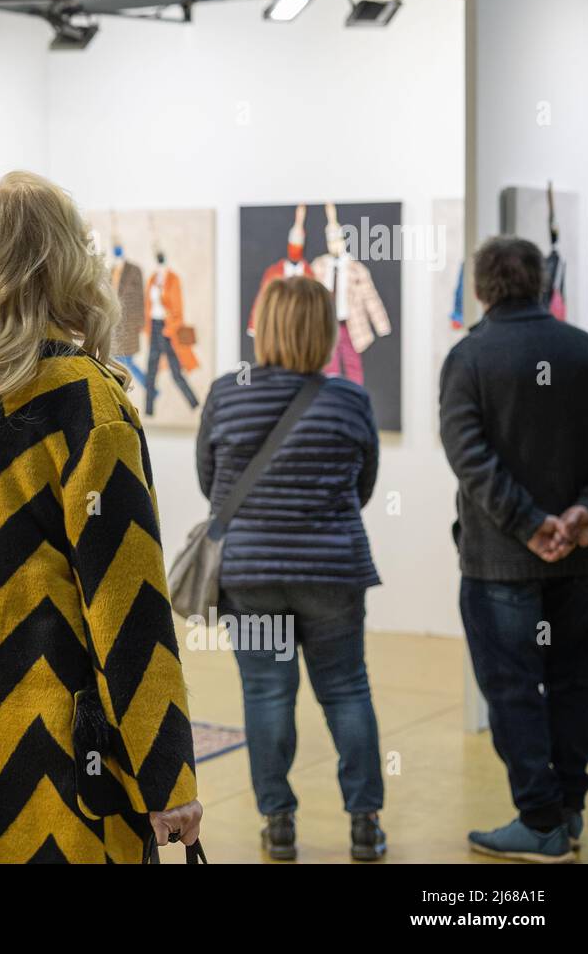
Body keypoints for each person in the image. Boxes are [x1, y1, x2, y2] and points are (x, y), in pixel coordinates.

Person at [0, 171, 201, 863]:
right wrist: (168, 776)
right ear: (66, 264)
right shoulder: (87, 404)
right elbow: (129, 608)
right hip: (76, 755)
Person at [198, 276, 385, 862]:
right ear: (325, 333)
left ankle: (278, 825)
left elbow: (211, 482)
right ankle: (364, 825)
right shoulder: (350, 398)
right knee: (347, 690)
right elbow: (365, 485)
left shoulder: (229, 393)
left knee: (266, 693)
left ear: (267, 327)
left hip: (251, 573)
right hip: (333, 572)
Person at [440, 235, 588, 864]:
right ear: (541, 282)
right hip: (581, 558)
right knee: (569, 681)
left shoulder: (470, 357)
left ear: (480, 288)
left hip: (501, 561)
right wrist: (583, 512)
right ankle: (569, 808)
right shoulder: (584, 350)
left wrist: (530, 525)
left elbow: (468, 457)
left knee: (511, 689)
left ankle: (538, 821)